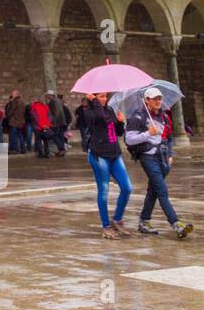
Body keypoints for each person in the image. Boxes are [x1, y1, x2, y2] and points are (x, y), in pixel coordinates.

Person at [126, 87, 194, 239]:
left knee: (154, 190)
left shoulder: (163, 117)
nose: (158, 101)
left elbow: (168, 138)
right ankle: (176, 223)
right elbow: (129, 139)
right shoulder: (137, 117)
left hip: (163, 158)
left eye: (160, 98)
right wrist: (147, 134)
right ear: (147, 100)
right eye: (155, 98)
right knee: (162, 190)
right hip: (148, 157)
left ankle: (144, 221)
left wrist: (170, 154)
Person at [83, 92, 133, 239]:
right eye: (100, 96)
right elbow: (102, 119)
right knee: (104, 191)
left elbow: (116, 132)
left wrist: (120, 122)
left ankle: (117, 219)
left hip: (114, 154)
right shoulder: (89, 113)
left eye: (105, 96)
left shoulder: (109, 110)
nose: (104, 99)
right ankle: (105, 226)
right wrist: (94, 102)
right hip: (99, 155)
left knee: (127, 187)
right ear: (93, 98)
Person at [4, 89, 26, 155]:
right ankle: (23, 149)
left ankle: (15, 149)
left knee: (13, 136)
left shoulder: (14, 102)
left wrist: (7, 116)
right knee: (20, 136)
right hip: (20, 121)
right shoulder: (22, 102)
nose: (12, 95)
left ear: (16, 94)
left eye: (13, 94)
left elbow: (10, 111)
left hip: (13, 121)